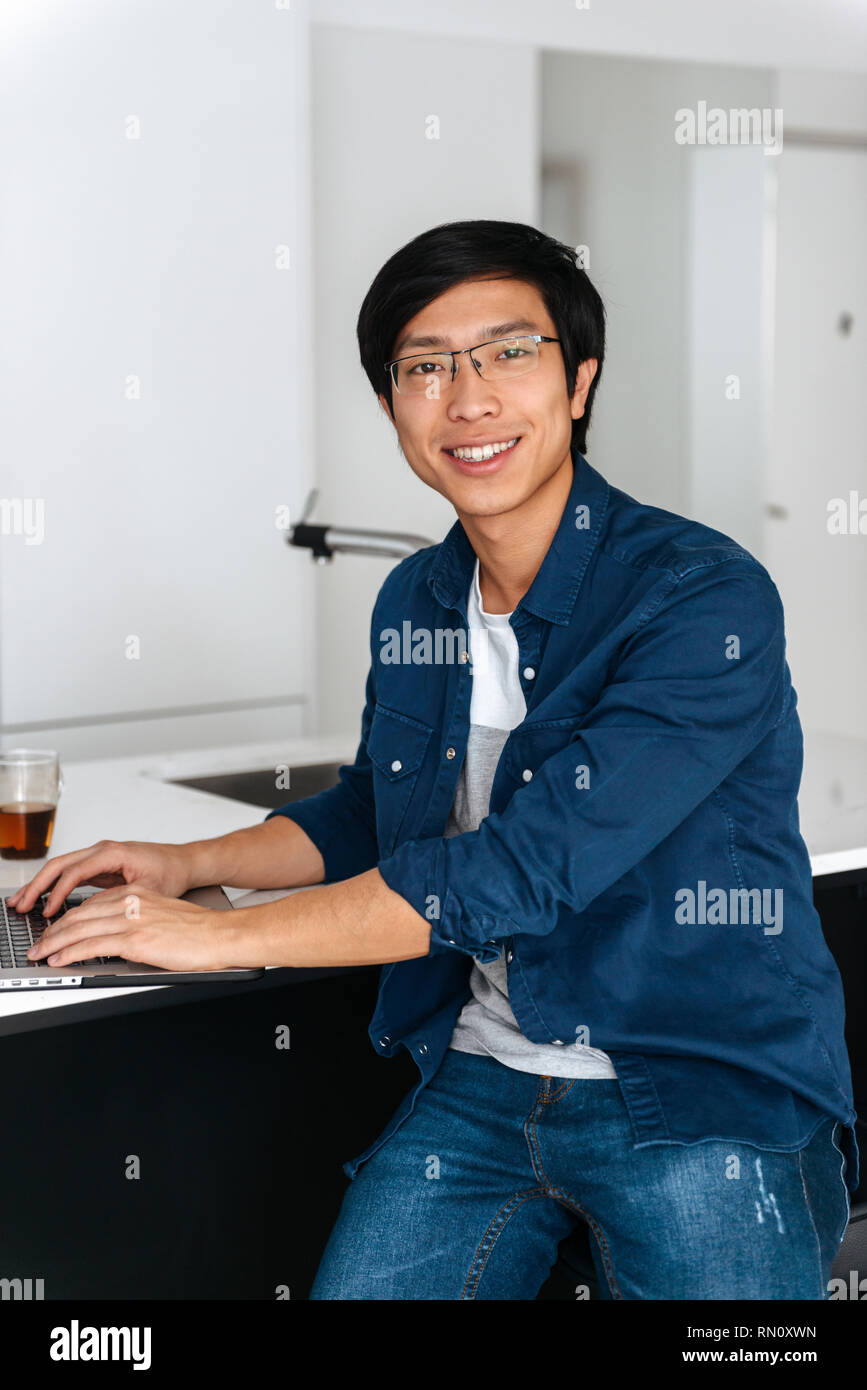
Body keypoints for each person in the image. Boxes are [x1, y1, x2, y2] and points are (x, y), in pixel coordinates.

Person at [13, 220, 858, 1300]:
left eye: (510, 353)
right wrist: (182, 865)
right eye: (427, 367)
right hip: (483, 1081)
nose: (470, 399)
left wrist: (220, 937)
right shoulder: (417, 599)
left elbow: (519, 873)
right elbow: (381, 811)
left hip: (700, 1093)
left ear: (581, 378)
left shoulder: (702, 598)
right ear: (391, 406)